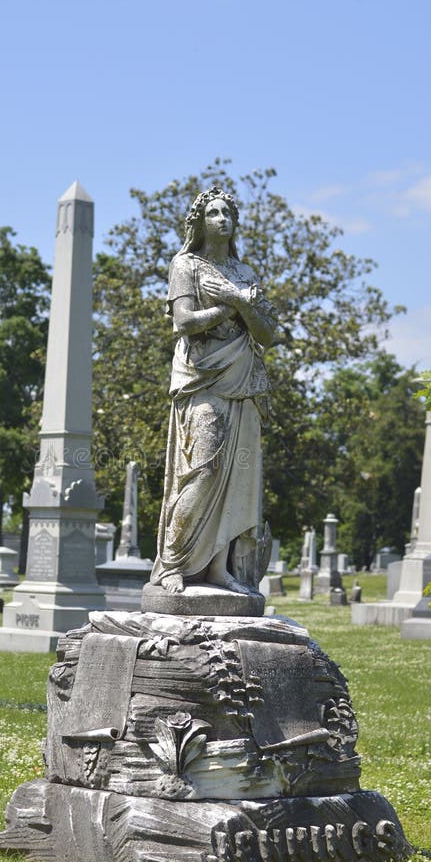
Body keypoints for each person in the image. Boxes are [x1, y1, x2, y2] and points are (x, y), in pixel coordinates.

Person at [150, 187, 276, 595]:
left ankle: (219, 569)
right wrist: (233, 306)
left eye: (228, 213)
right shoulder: (185, 265)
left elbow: (268, 334)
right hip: (201, 377)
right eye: (214, 213)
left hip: (241, 381)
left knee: (237, 475)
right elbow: (183, 323)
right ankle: (173, 562)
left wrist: (241, 303)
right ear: (200, 222)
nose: (222, 219)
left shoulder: (244, 274)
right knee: (202, 470)